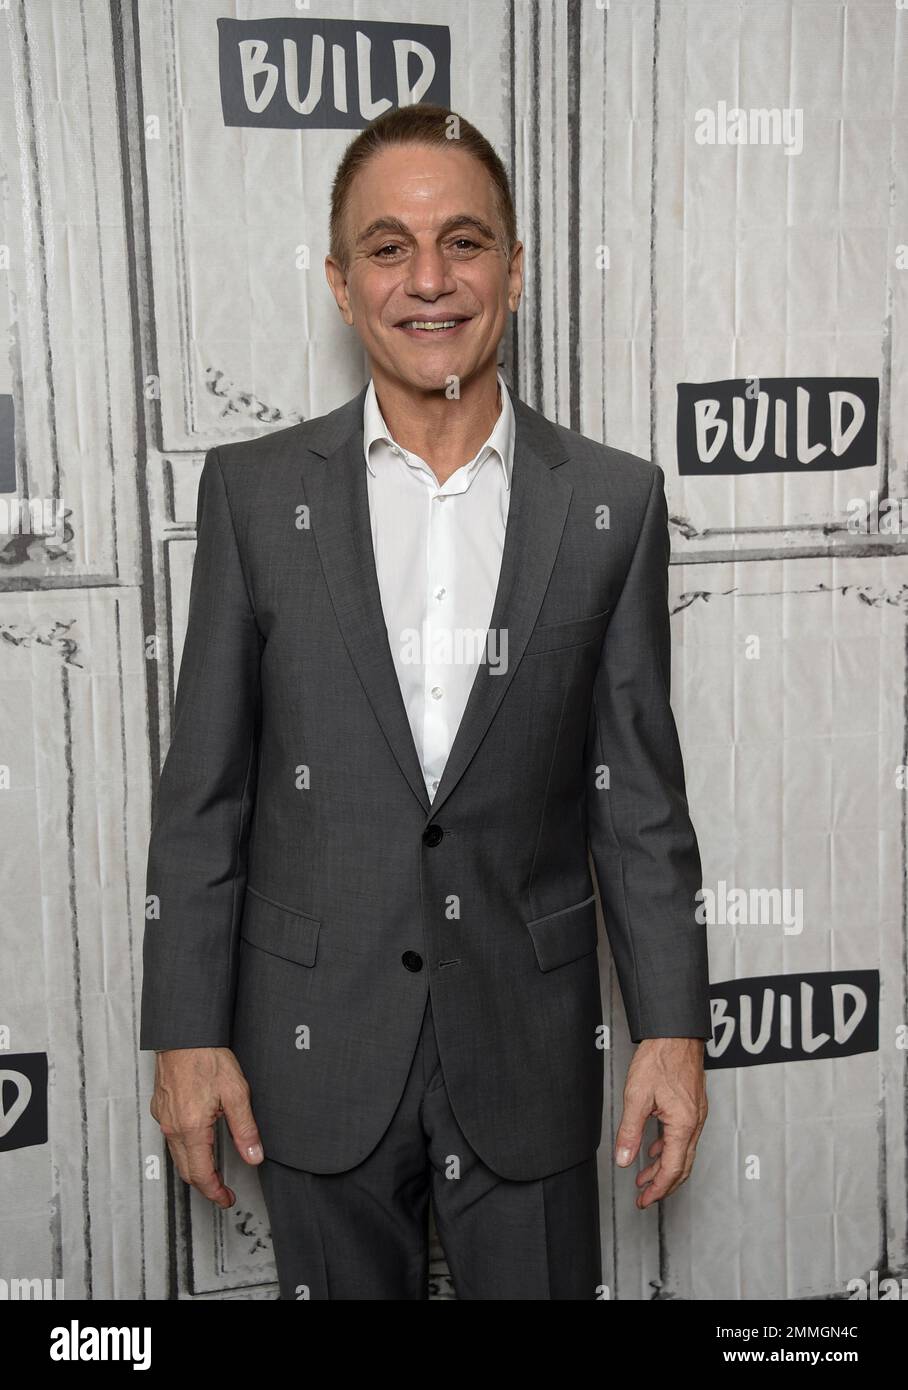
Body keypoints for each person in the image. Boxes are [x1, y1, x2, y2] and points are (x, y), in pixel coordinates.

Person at [141, 103, 710, 1301]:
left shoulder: (612, 501)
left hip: (530, 1047)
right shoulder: (252, 495)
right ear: (342, 284)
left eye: (463, 241)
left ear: (514, 268)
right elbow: (205, 791)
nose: (430, 280)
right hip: (314, 1046)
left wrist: (668, 1027)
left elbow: (637, 804)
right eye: (388, 249)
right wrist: (185, 1032)